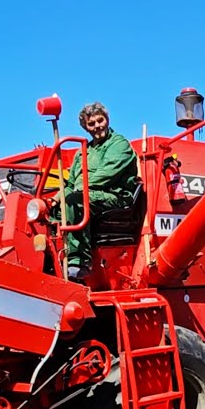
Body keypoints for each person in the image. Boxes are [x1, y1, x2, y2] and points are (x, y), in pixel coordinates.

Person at [56, 102, 139, 281]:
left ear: (107, 120)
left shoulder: (119, 144)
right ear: (85, 127)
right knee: (54, 211)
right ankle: (56, 258)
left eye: (100, 120)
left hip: (115, 196)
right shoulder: (82, 152)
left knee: (75, 201)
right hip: (87, 194)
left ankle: (80, 262)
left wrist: (77, 191)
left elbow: (106, 174)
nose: (97, 126)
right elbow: (70, 184)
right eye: (91, 123)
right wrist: (55, 200)